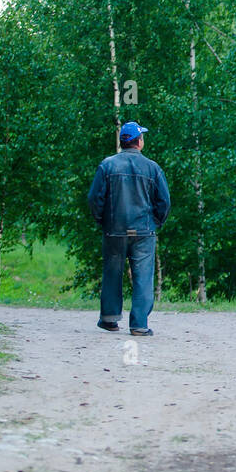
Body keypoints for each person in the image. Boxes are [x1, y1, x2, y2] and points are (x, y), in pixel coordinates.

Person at [87, 121, 171, 336]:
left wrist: (102, 221)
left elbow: (95, 199)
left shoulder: (107, 165)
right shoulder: (152, 168)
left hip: (114, 229)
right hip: (143, 231)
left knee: (112, 272)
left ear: (122, 142)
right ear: (139, 142)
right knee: (143, 276)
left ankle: (109, 319)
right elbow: (164, 202)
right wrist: (155, 222)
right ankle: (139, 325)